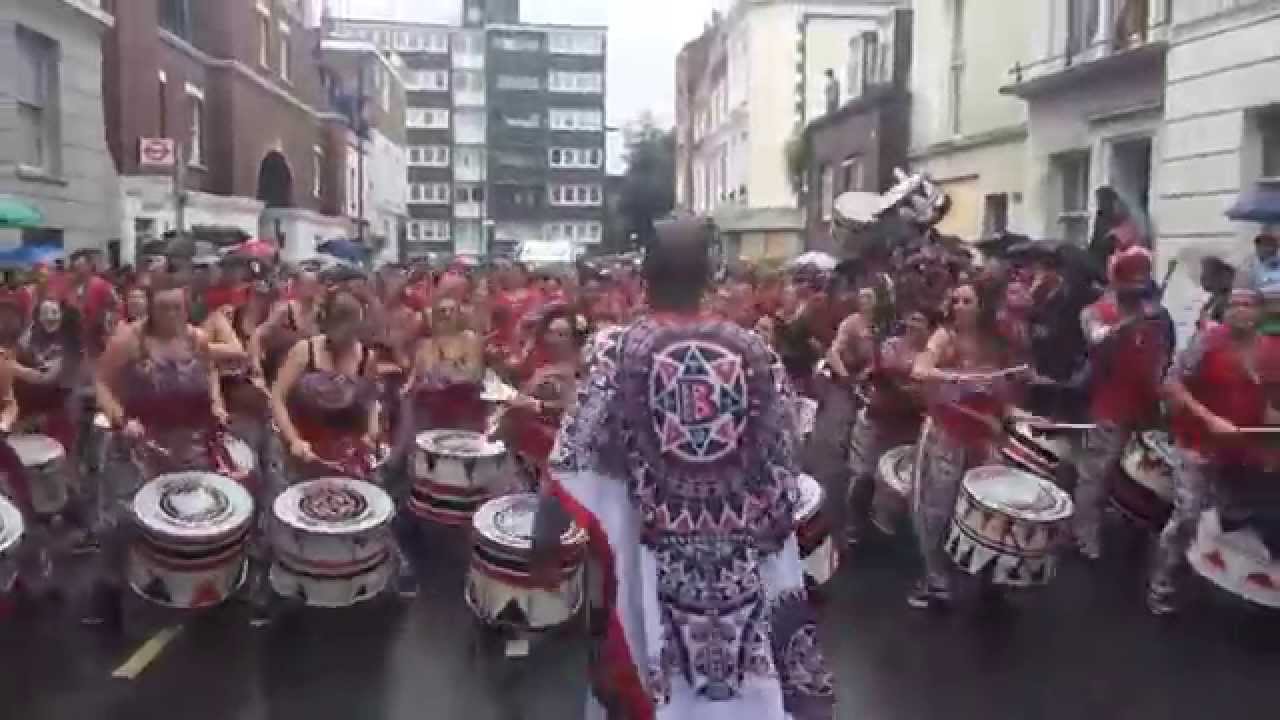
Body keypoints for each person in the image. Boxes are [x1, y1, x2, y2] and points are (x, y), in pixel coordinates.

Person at [535, 217, 834, 720]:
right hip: (741, 568)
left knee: (649, 680)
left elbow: (573, 452)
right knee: (744, 691)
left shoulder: (619, 350)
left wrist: (545, 532)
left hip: (651, 560)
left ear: (644, 277)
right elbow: (785, 454)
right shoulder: (754, 351)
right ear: (708, 277)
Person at [907, 275, 1026, 609]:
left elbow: (1003, 391)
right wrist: (952, 375)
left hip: (984, 438)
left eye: (967, 301)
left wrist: (1014, 414)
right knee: (937, 509)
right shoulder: (944, 337)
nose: (959, 306)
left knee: (990, 509)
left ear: (981, 306)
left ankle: (990, 577)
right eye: (955, 300)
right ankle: (936, 579)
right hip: (946, 434)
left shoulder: (995, 344)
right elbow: (920, 368)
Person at [1149, 287, 1269, 615]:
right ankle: (1163, 582)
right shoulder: (1207, 342)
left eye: (1248, 304)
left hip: (1239, 452)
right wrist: (1208, 418)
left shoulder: (1268, 350)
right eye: (1234, 304)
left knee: (1228, 516)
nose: (1240, 310)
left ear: (1261, 312)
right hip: (1197, 444)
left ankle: (1208, 571)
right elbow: (1172, 383)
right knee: (1188, 514)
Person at [1072, 247, 1173, 560]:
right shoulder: (1095, 312)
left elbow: (1164, 356)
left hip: (1147, 407)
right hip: (1110, 406)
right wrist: (1129, 323)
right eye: (1131, 282)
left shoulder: (1158, 316)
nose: (1137, 289)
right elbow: (1096, 339)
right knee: (1097, 473)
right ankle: (1084, 534)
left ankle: (1135, 532)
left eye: (1142, 281)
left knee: (1145, 474)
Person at [845, 307, 935, 543]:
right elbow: (883, 375)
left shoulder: (933, 355)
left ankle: (888, 529)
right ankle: (853, 527)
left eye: (920, 320)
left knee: (899, 484)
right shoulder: (892, 346)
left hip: (908, 429)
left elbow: (928, 392)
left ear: (930, 328)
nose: (914, 324)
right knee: (863, 477)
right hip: (879, 422)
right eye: (911, 318)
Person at [270, 291, 381, 481]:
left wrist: (371, 433)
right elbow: (277, 397)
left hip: (347, 450)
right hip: (305, 446)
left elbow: (371, 400)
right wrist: (294, 439)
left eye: (354, 331)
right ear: (328, 326)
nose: (350, 339)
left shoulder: (366, 357)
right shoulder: (304, 351)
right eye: (345, 333)